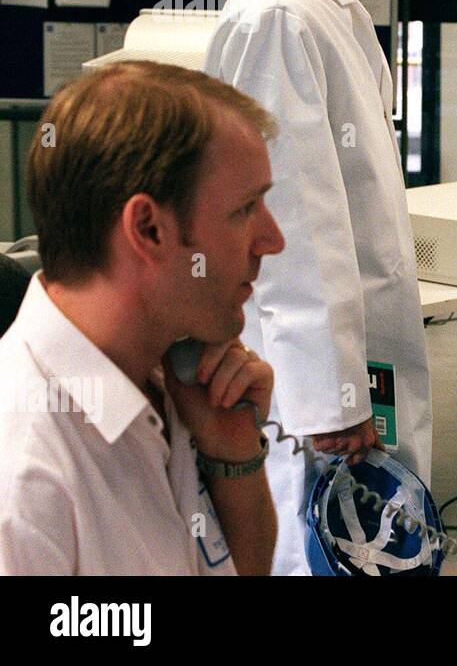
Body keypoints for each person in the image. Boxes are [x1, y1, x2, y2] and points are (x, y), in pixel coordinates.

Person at [204, 0, 432, 575]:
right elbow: (294, 221)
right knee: (316, 555)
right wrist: (332, 400)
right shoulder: (279, 12)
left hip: (348, 361)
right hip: (311, 388)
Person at [0, 62, 282, 575]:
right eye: (245, 210)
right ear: (150, 229)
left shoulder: (162, 376)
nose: (272, 240)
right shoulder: (24, 477)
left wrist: (233, 456)